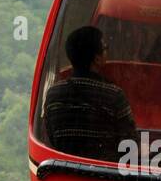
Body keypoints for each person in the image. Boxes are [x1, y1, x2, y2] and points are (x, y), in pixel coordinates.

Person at [43, 25, 137, 161]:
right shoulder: (114, 95)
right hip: (104, 177)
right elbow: (130, 144)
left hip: (65, 173)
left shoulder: (53, 94)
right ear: (97, 59)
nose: (107, 52)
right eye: (105, 48)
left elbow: (51, 137)